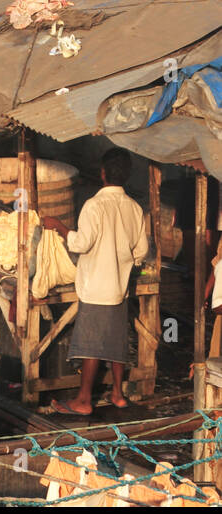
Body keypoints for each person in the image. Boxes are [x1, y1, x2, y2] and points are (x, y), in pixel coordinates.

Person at [43, 148, 150, 416]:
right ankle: (118, 394)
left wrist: (59, 226)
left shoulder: (94, 205)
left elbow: (81, 243)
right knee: (116, 343)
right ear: (126, 176)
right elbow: (141, 252)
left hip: (95, 289)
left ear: (102, 174)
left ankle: (83, 400)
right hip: (119, 289)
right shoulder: (134, 209)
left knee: (91, 345)